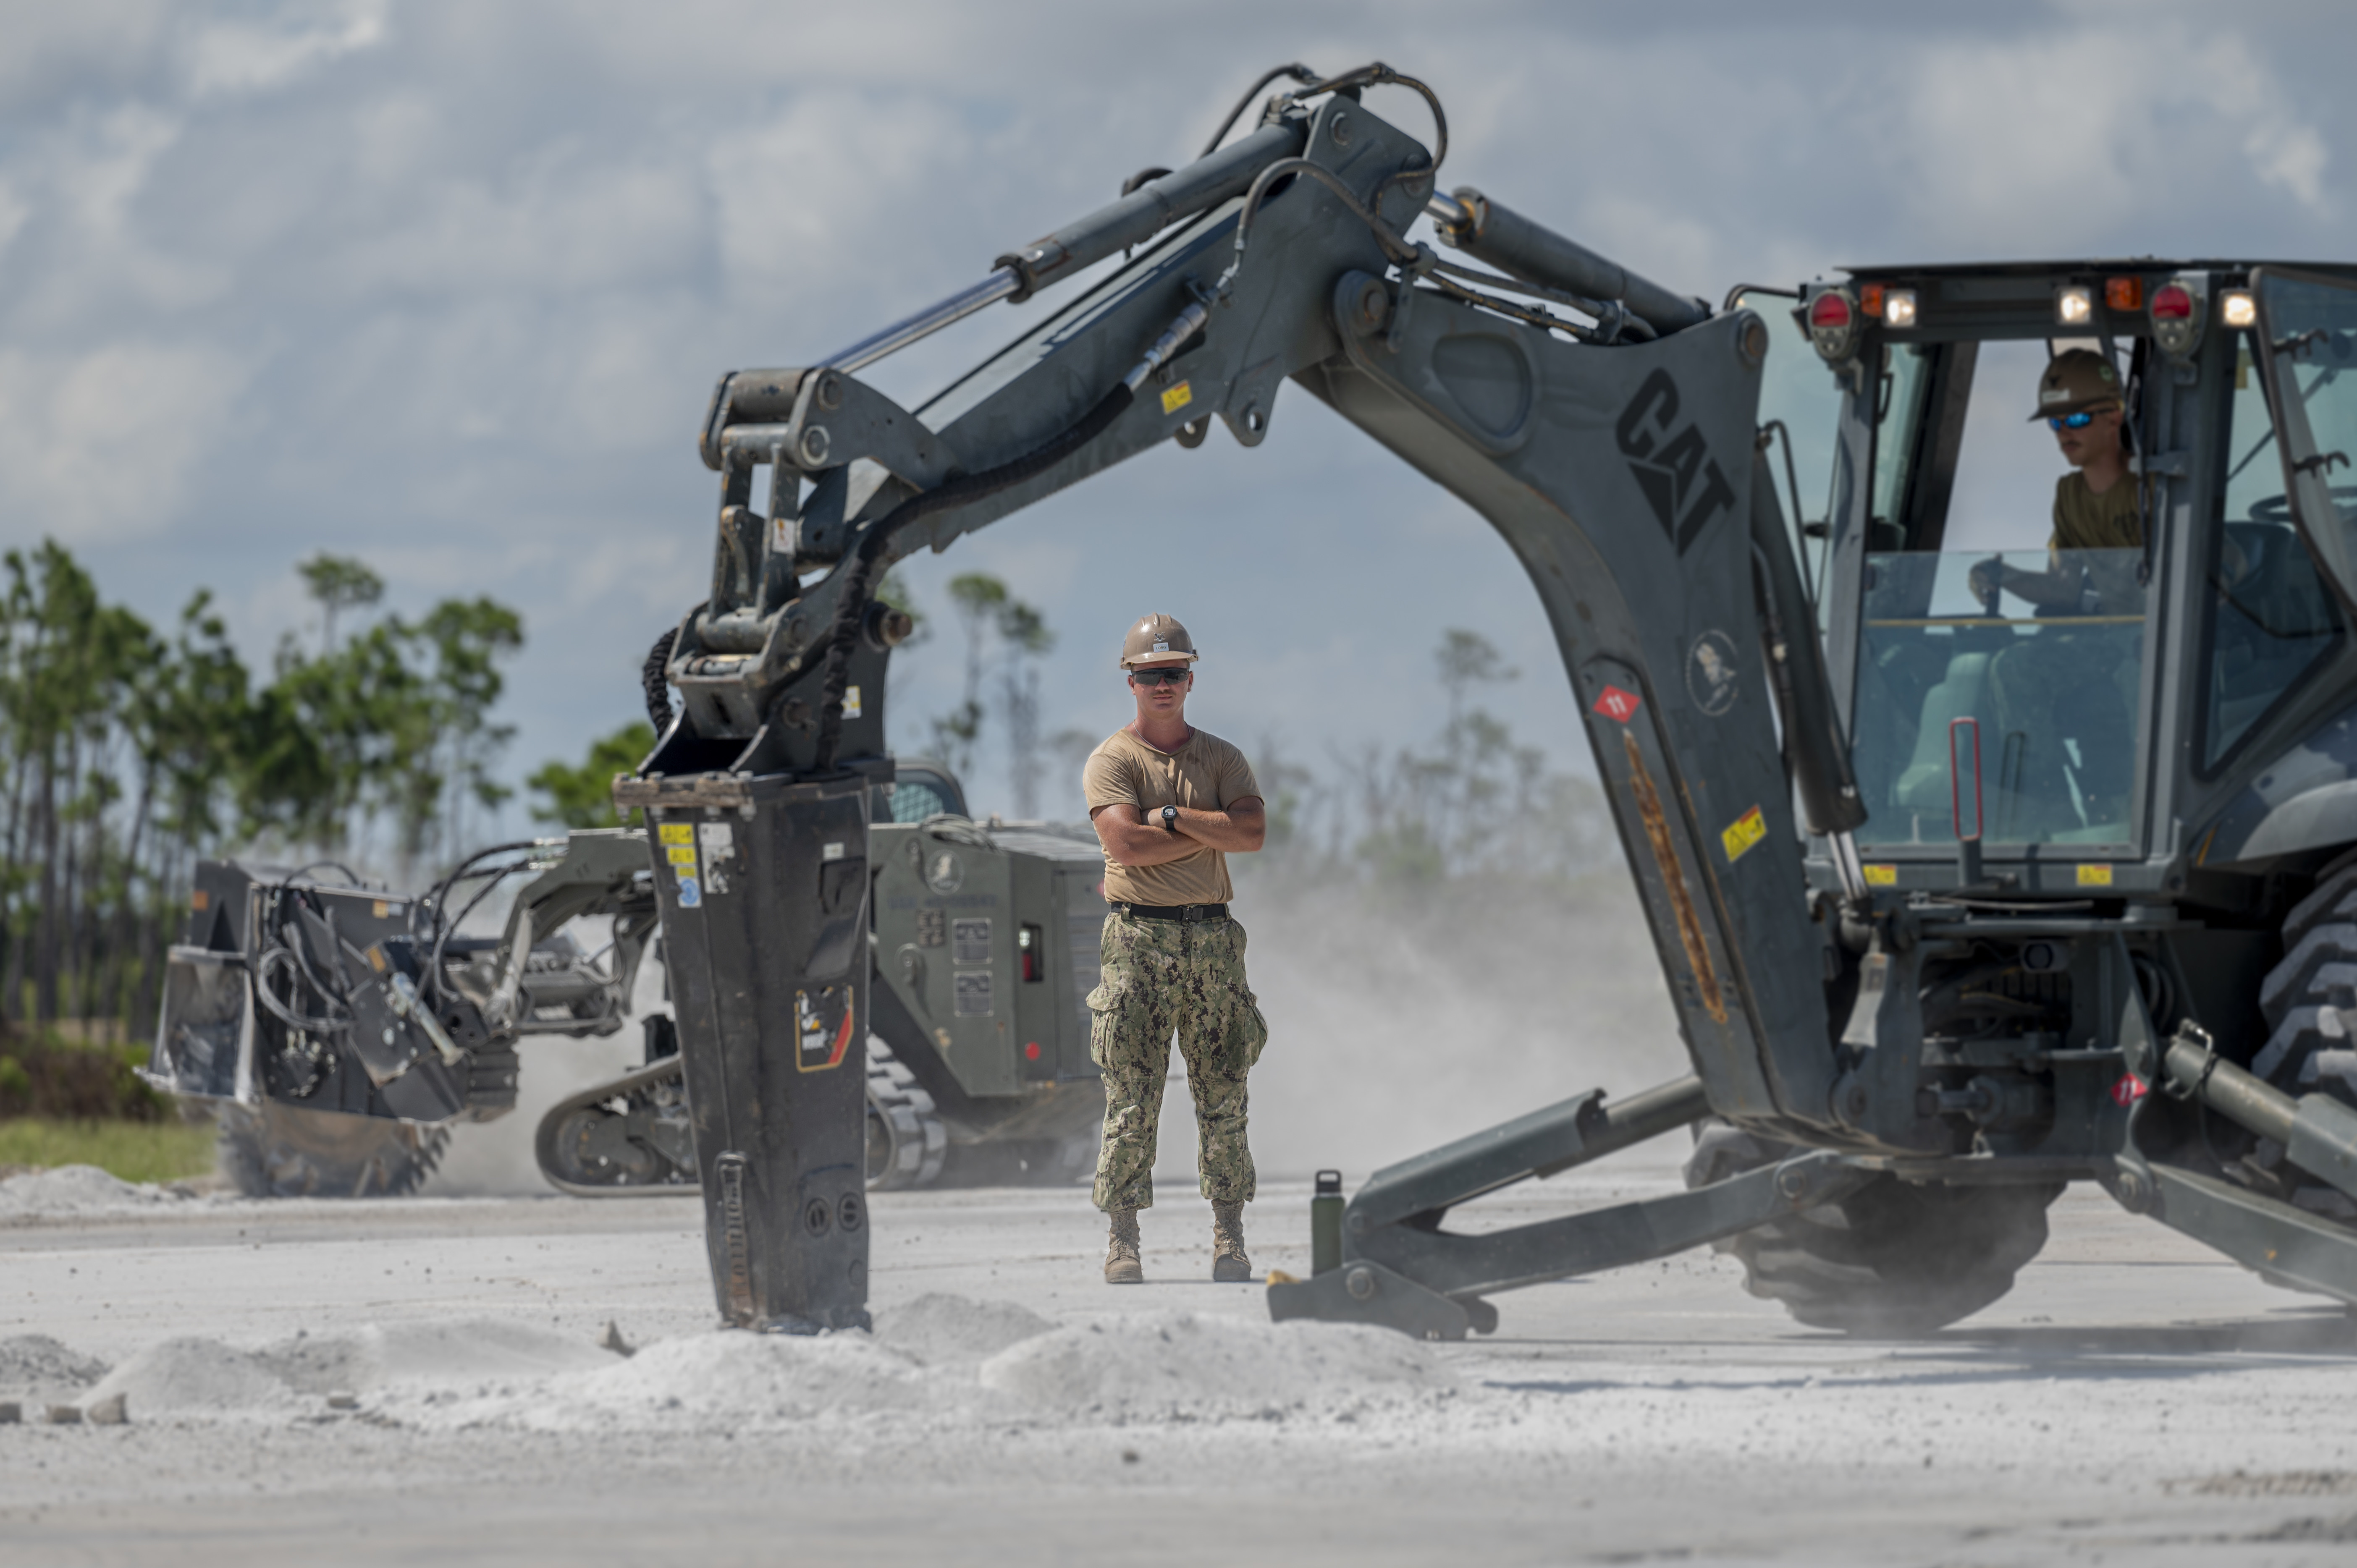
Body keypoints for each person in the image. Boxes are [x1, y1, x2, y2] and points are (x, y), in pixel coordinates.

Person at [1080, 612, 1268, 1285]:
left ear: (1192, 678)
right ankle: (1123, 1238)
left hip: (1212, 938)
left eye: (1175, 673)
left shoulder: (1221, 757)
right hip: (1138, 937)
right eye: (1151, 674)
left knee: (1224, 1092)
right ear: (1130, 680)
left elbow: (1252, 834)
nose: (1164, 684)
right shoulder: (1113, 760)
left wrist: (1168, 818)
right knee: (1132, 1096)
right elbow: (1124, 845)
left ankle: (1229, 1233)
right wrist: (1208, 829)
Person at [1968, 348, 2144, 610]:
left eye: (2076, 419)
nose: (2063, 433)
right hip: (2116, 639)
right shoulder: (2070, 497)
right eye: (2055, 422)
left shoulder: (2151, 488)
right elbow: (2063, 587)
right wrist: (2000, 574)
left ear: (2114, 417)